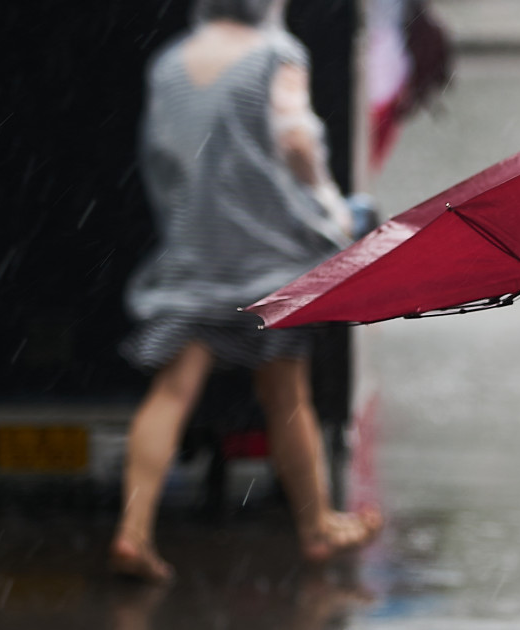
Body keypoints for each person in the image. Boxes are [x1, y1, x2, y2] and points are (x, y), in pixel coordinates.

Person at [110, 0, 380, 582]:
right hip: (268, 253)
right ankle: (315, 527)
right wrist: (331, 207)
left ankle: (132, 534)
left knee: (172, 392)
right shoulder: (276, 54)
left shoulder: (169, 63)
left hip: (196, 249)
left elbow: (162, 158)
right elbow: (296, 139)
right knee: (287, 394)